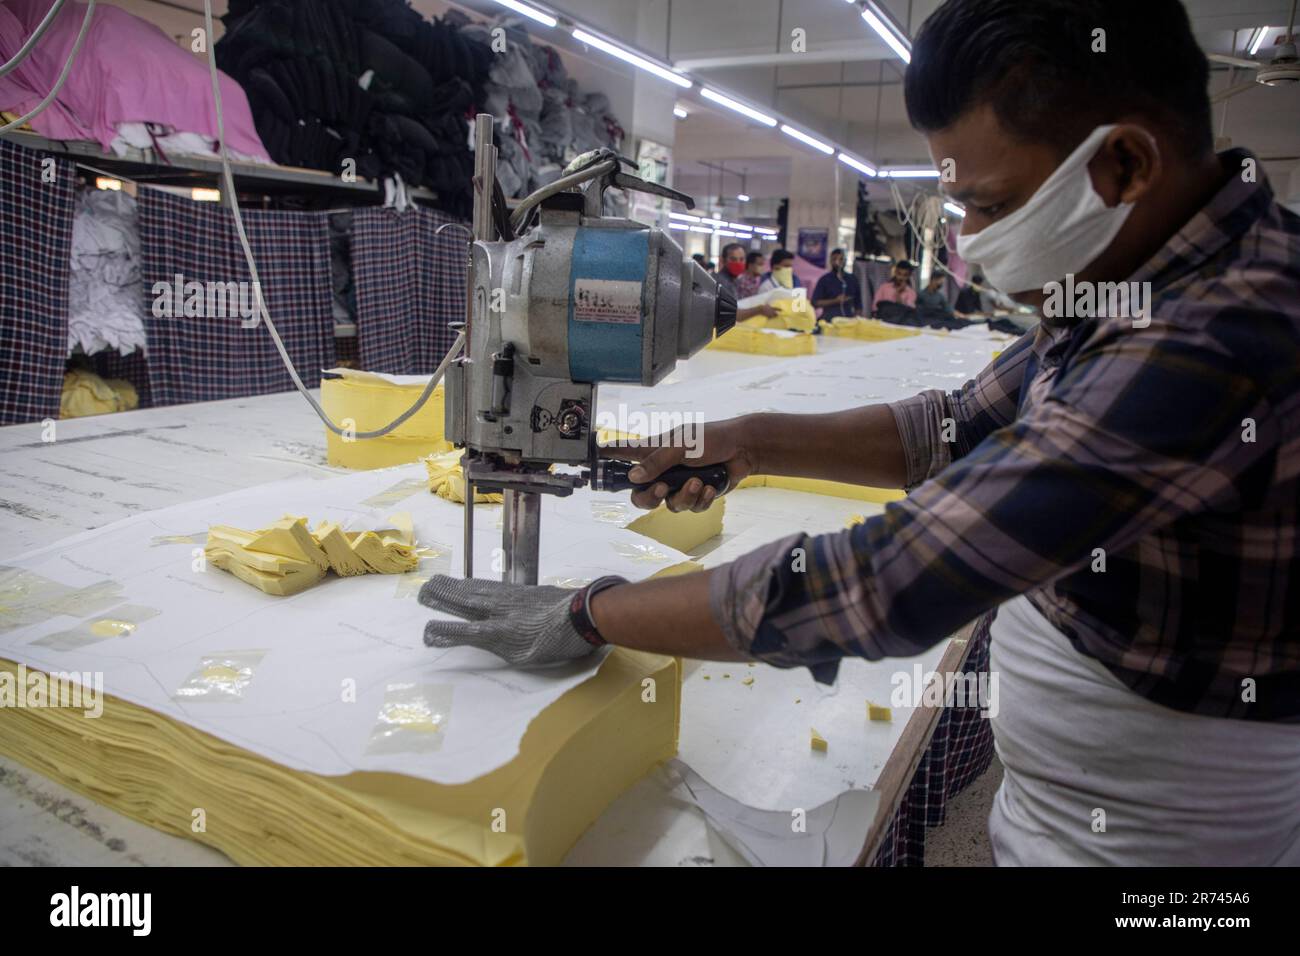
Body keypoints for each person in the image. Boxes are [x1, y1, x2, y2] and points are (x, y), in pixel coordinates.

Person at [420, 0, 1300, 866]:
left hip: (1171, 824)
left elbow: (885, 585)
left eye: (992, 206)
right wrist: (749, 439)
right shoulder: (1138, 275)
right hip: (1073, 788)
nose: (972, 242)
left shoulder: (1218, 335)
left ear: (1125, 164)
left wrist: (588, 611)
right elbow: (953, 427)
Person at [714, 242, 778, 322]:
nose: (738, 263)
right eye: (733, 259)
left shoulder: (734, 281)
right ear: (723, 260)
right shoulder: (721, 282)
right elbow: (732, 315)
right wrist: (760, 309)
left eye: (741, 259)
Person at [810, 248, 862, 319]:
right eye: (834, 259)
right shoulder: (825, 279)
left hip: (848, 319)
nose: (837, 262)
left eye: (841, 259)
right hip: (829, 319)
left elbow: (858, 304)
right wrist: (835, 301)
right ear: (830, 261)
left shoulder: (852, 279)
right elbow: (815, 303)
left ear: (845, 260)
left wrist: (856, 320)